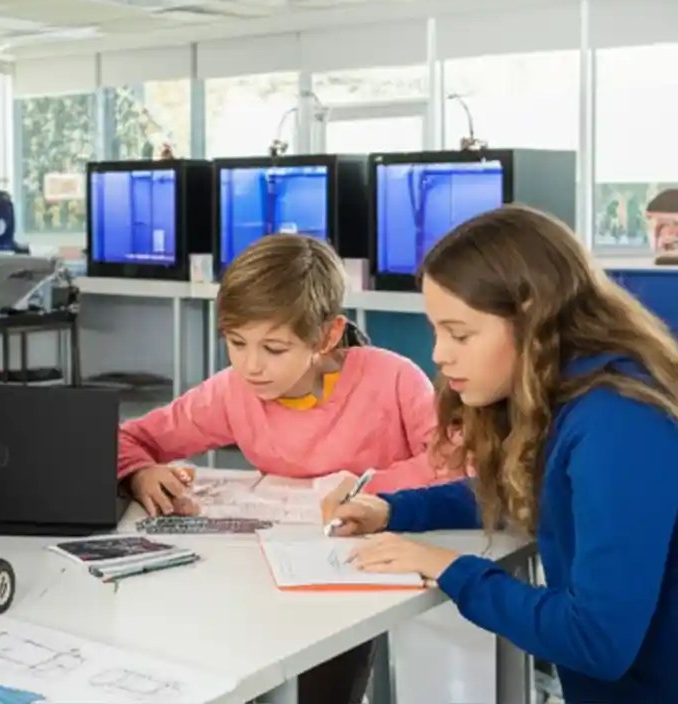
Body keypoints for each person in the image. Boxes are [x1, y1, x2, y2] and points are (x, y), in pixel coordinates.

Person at [328, 206, 678, 704]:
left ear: (531, 315)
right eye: (436, 331)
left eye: (460, 333)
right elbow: (533, 486)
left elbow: (597, 640)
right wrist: (395, 509)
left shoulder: (618, 423)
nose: (440, 354)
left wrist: (452, 569)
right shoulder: (571, 397)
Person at [117, 233, 447, 704]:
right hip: (263, 573)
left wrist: (373, 489)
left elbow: (460, 463)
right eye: (236, 343)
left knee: (323, 672)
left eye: (274, 349)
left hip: (353, 573)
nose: (251, 366)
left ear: (327, 335)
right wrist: (141, 473)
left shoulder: (392, 379)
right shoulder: (232, 390)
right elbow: (130, 437)